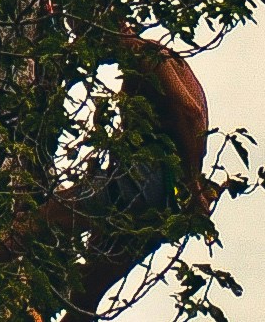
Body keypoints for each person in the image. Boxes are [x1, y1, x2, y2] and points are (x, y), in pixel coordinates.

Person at [58, 36, 217, 318]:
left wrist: (193, 181)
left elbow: (190, 115)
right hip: (164, 207)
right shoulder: (144, 70)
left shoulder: (148, 55)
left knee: (47, 216)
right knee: (85, 294)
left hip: (154, 183)